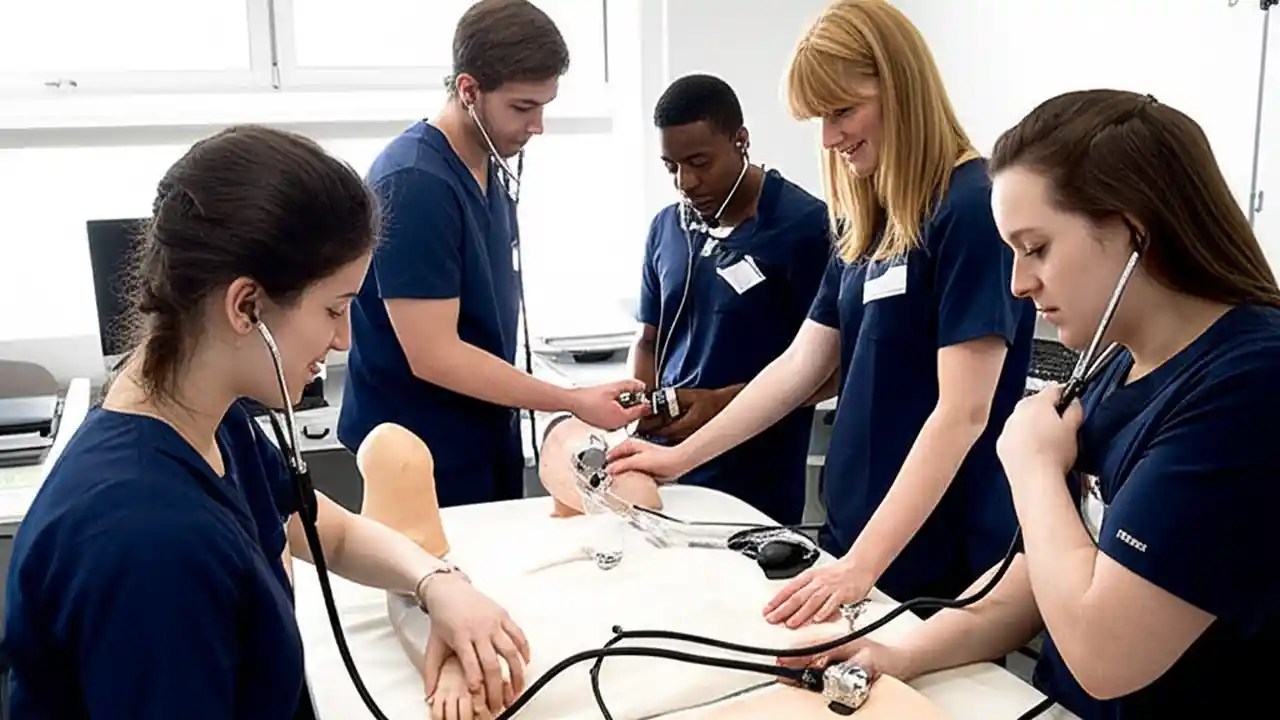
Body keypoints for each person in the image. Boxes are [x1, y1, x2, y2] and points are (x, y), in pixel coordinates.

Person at [779, 89, 1280, 718]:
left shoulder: (1249, 387)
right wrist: (895, 652)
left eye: (1036, 248)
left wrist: (1033, 465)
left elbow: (1106, 657)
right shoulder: (1116, 364)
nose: (1018, 283)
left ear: (1136, 230)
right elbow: (1035, 584)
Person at [2, 126, 530, 719]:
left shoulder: (208, 420)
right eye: (334, 309)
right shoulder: (151, 545)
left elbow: (327, 530)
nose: (342, 340)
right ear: (245, 306)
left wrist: (439, 584)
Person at [608, 0, 1035, 624]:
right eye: (820, 120)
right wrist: (678, 457)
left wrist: (863, 564)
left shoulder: (970, 210)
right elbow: (801, 365)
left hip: (937, 546)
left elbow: (962, 414)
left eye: (842, 112)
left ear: (900, 86)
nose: (831, 139)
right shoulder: (871, 218)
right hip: (858, 532)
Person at [338, 0, 646, 509]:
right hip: (421, 453)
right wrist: (571, 403)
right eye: (523, 108)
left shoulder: (486, 166)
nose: (538, 125)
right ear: (468, 90)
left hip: (482, 436)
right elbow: (435, 355)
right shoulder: (414, 183)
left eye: (545, 106)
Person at [629, 74, 833, 525]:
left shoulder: (805, 230)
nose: (686, 181)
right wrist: (641, 405)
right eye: (671, 166)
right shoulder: (668, 228)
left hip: (754, 481)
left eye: (700, 161)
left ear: (741, 140)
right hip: (663, 472)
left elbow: (835, 368)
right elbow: (648, 340)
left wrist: (722, 402)